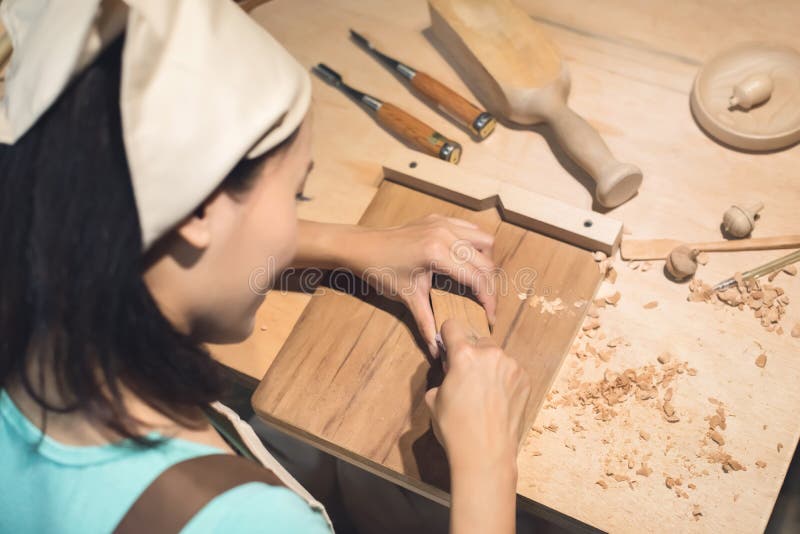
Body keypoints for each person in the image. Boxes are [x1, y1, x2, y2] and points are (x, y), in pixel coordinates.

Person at [0, 0, 532, 532]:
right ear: (198, 209)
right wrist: (487, 463)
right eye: (297, 194)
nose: (297, 216)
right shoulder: (250, 520)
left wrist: (351, 245)